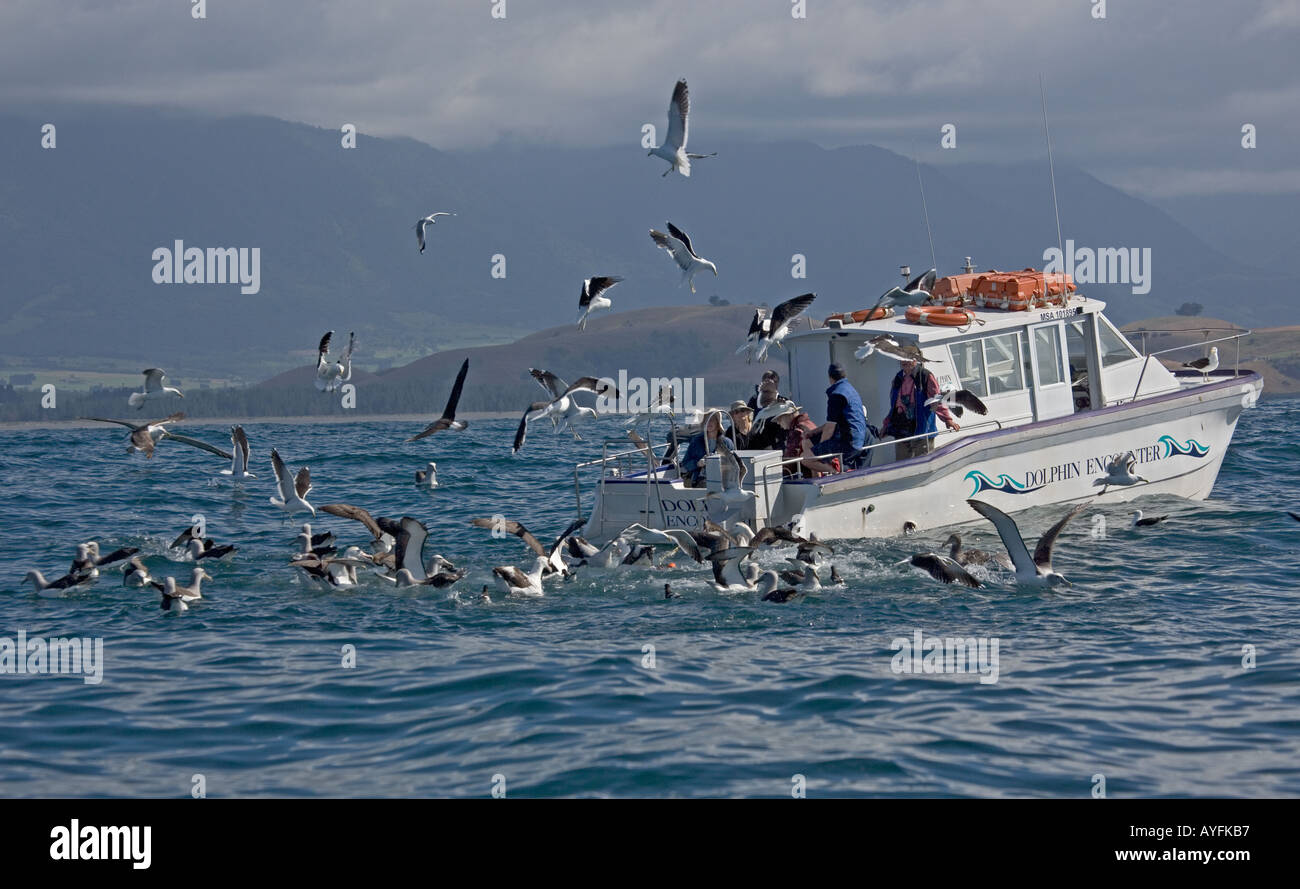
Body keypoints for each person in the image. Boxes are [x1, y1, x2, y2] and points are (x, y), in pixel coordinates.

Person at [881, 358, 959, 461]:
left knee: (923, 463)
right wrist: (886, 425)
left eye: (909, 358)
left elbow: (936, 399)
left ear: (915, 360)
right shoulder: (898, 378)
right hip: (901, 431)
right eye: (902, 358)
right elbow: (894, 406)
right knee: (902, 466)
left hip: (922, 431)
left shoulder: (926, 376)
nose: (905, 361)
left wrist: (947, 419)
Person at [811, 364, 868, 469]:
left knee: (807, 460)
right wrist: (813, 432)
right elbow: (834, 422)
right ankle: (834, 469)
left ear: (830, 378)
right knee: (813, 444)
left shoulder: (836, 395)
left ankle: (833, 473)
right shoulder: (851, 389)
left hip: (847, 443)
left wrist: (821, 451)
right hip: (860, 440)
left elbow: (829, 428)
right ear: (844, 376)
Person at [774, 403, 838, 477]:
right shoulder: (806, 423)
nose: (778, 423)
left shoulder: (796, 431)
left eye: (779, 419)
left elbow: (791, 459)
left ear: (789, 415)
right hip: (828, 464)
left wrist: (777, 470)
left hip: (817, 473)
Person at [681, 410, 724, 486]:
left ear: (718, 422)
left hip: (721, 482)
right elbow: (685, 463)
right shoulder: (696, 441)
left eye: (712, 420)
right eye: (706, 420)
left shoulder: (727, 442)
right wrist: (697, 463)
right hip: (698, 481)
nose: (709, 422)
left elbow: (732, 465)